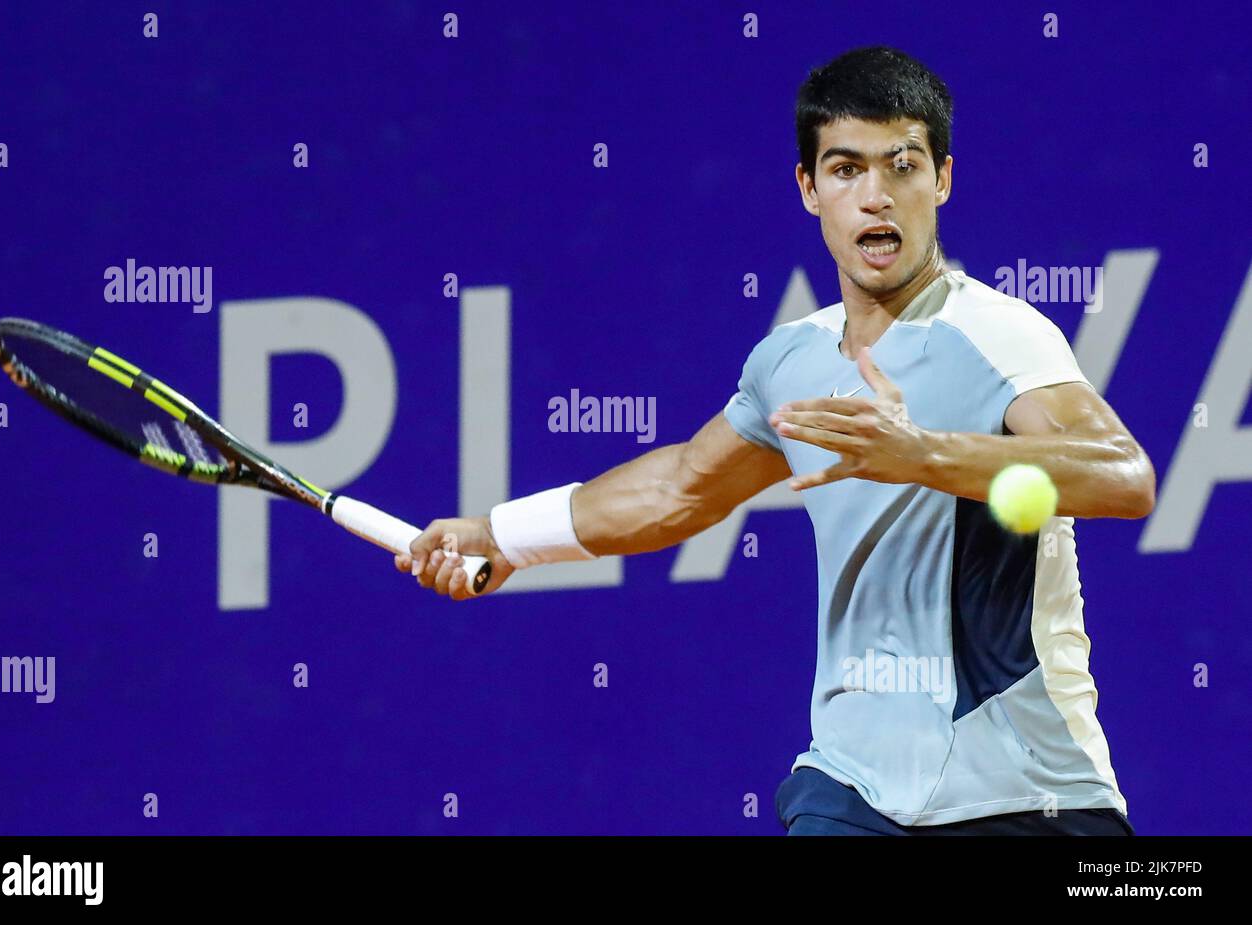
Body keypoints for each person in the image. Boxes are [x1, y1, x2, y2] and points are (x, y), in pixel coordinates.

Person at [396, 46, 1155, 836]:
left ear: (943, 180)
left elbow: (1123, 476)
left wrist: (922, 454)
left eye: (902, 166)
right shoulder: (791, 359)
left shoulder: (1001, 335)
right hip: (853, 787)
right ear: (808, 189)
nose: (876, 198)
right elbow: (683, 486)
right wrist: (501, 536)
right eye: (845, 170)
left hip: (1026, 793)